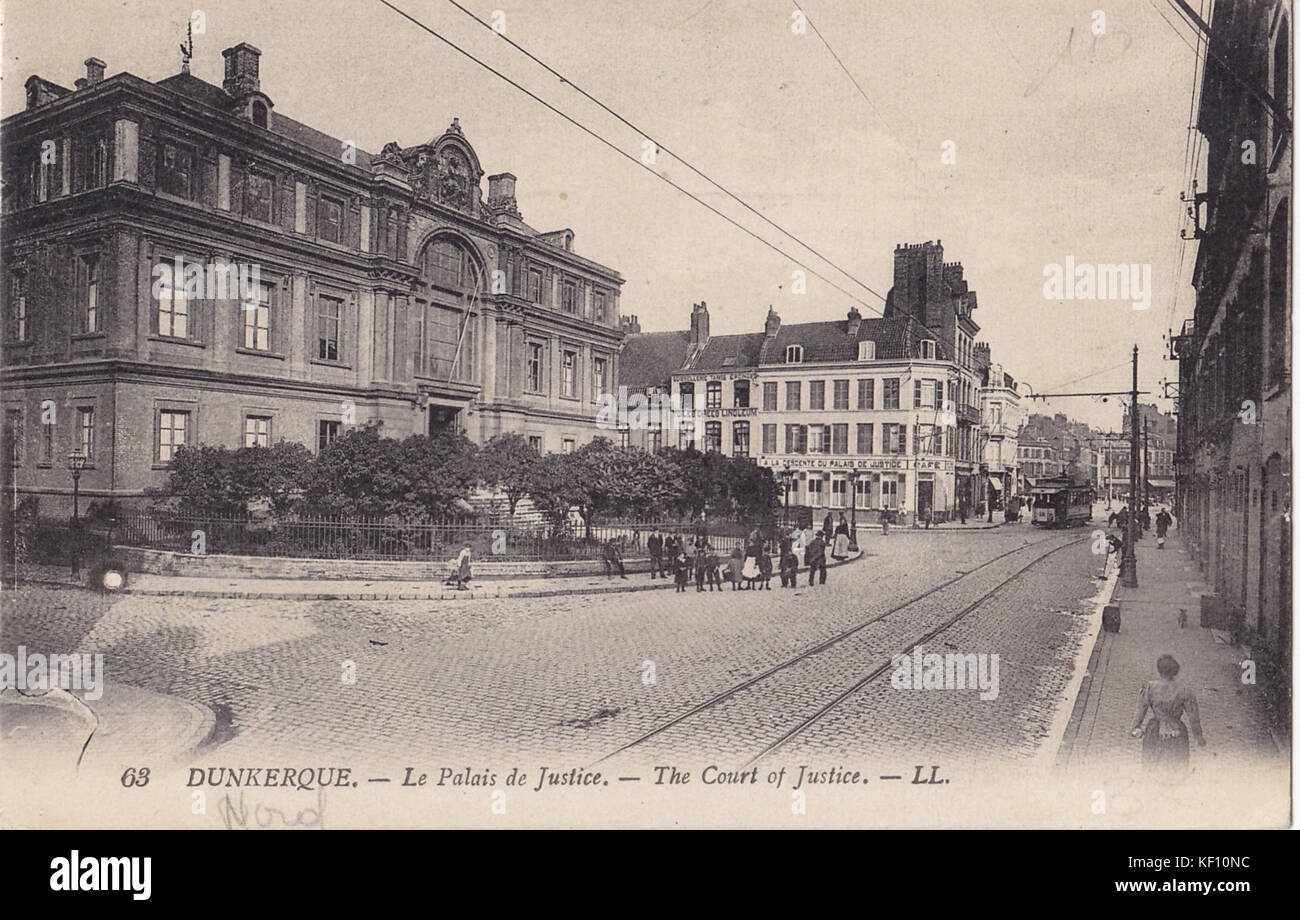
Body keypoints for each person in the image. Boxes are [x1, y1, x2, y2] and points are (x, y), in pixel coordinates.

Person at [1130, 654, 1205, 773]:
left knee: (1151, 766)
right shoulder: (1184, 689)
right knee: (1177, 767)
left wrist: (1135, 727)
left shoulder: (1150, 687)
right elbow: (1193, 715)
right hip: (1177, 731)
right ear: (1175, 670)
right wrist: (1198, 736)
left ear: (1159, 670)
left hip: (1154, 731)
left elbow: (1141, 709)